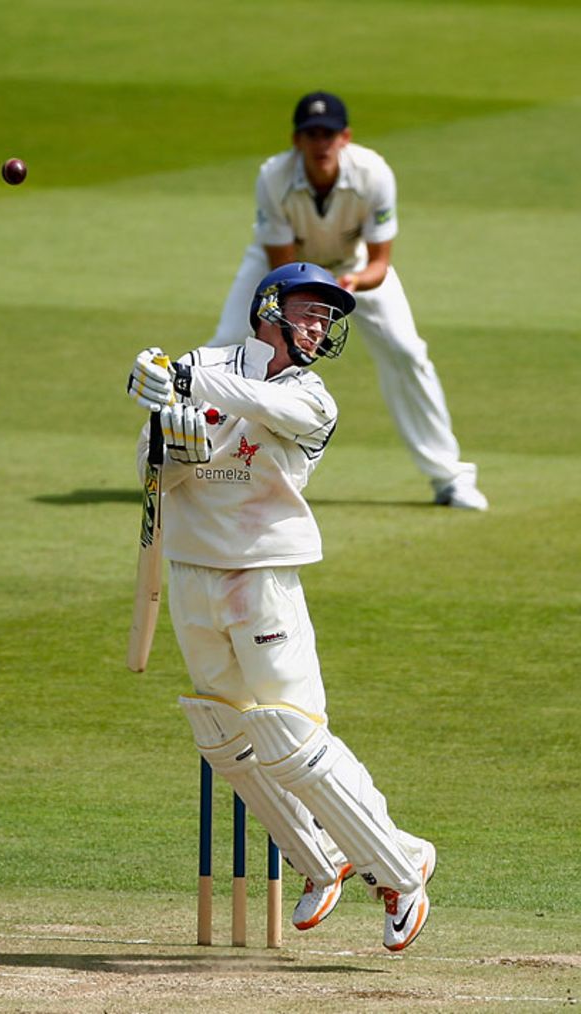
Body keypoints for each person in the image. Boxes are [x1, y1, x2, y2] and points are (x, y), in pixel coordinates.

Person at [126, 262, 436, 951]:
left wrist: (182, 382)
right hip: (190, 573)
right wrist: (173, 435)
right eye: (310, 311)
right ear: (269, 307)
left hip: (263, 576)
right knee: (224, 735)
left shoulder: (313, 397)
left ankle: (402, 865)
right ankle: (320, 861)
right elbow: (157, 471)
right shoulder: (203, 363)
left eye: (329, 319)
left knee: (292, 736)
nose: (321, 327)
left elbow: (268, 410)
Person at [209, 91, 486, 510]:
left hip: (353, 272)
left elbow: (380, 262)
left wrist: (348, 285)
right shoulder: (273, 177)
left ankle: (449, 477)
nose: (321, 143)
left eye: (329, 134)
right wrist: (302, 314)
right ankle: (198, 461)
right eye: (312, 134)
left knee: (407, 351)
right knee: (228, 341)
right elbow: (281, 264)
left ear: (345, 137)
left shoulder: (374, 173)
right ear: (296, 140)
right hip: (286, 271)